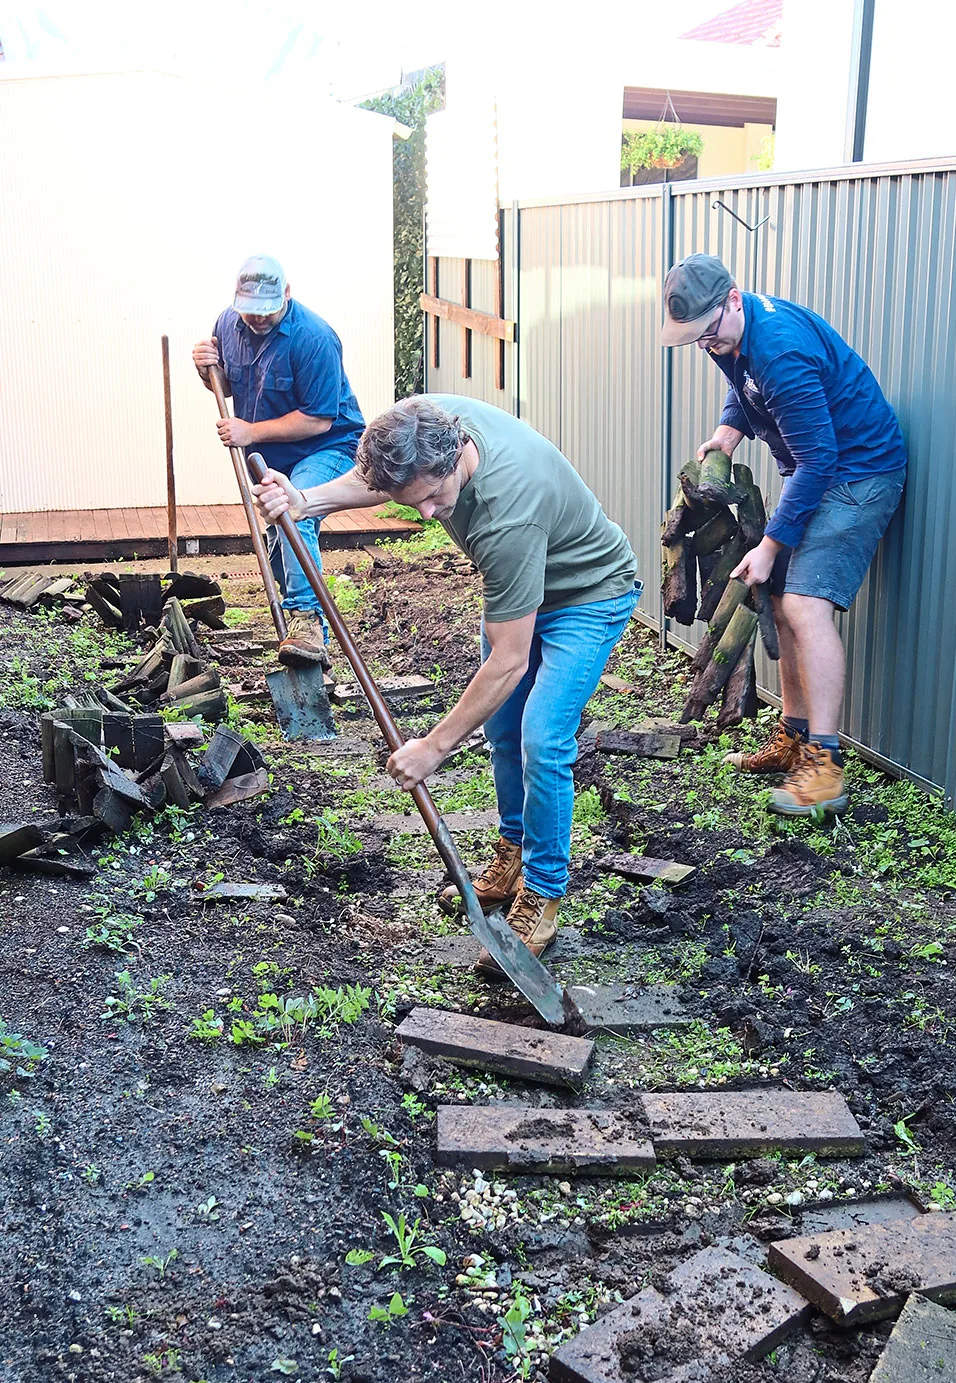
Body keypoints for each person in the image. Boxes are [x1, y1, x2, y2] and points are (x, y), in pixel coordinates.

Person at [252, 395, 640, 974]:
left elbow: (508, 663)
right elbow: (374, 481)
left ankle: (544, 890)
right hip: (521, 590)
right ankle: (512, 852)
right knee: (503, 732)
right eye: (416, 502)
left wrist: (433, 747)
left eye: (436, 496)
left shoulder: (509, 510)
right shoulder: (415, 428)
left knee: (542, 736)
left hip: (587, 593)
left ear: (457, 452)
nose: (432, 514)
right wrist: (307, 501)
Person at [660, 253, 907, 817]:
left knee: (802, 605)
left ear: (733, 300)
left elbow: (820, 460)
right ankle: (793, 737)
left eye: (709, 333)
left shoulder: (781, 351)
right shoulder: (730, 336)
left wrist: (769, 546)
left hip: (858, 475)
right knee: (777, 595)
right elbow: (743, 390)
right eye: (696, 339)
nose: (706, 346)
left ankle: (823, 770)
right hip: (819, 471)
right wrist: (727, 432)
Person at [192, 254, 365, 667]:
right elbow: (229, 384)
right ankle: (305, 641)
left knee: (293, 512)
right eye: (249, 311)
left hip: (328, 446)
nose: (257, 320)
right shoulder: (226, 325)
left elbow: (320, 419)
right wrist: (204, 369)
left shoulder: (314, 338)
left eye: (266, 311)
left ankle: (307, 622)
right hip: (273, 456)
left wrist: (249, 432)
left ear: (286, 293)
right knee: (278, 537)